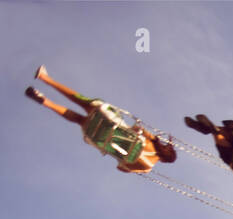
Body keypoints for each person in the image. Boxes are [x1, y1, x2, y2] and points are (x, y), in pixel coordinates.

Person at [25, 66, 176, 173]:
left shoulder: (152, 142)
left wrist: (141, 134)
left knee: (80, 100)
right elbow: (120, 168)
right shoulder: (146, 168)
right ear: (163, 161)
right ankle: (45, 102)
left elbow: (138, 128)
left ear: (166, 148)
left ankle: (45, 78)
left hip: (109, 120)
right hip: (97, 137)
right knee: (78, 119)